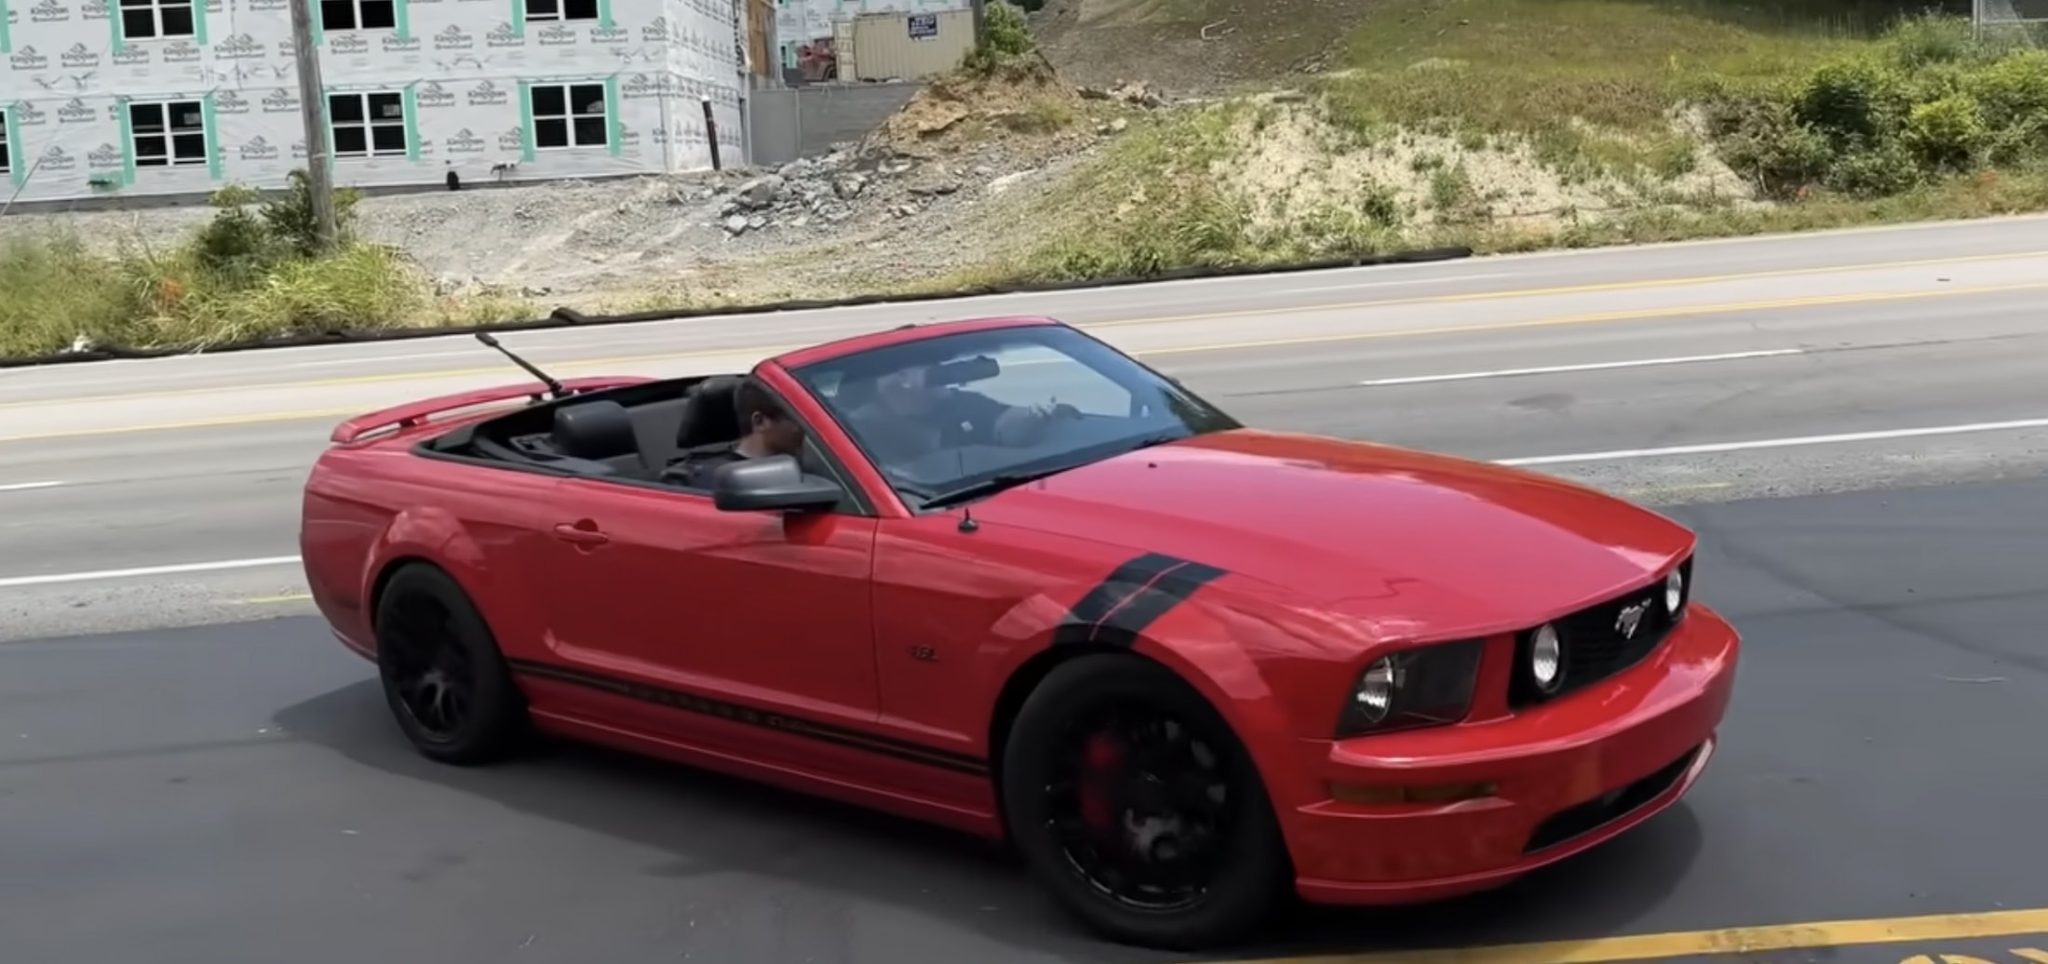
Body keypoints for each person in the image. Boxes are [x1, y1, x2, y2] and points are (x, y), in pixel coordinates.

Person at [666, 377, 805, 488]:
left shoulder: (811, 462)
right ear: (760, 422)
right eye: (794, 419)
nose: (803, 427)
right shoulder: (708, 480)